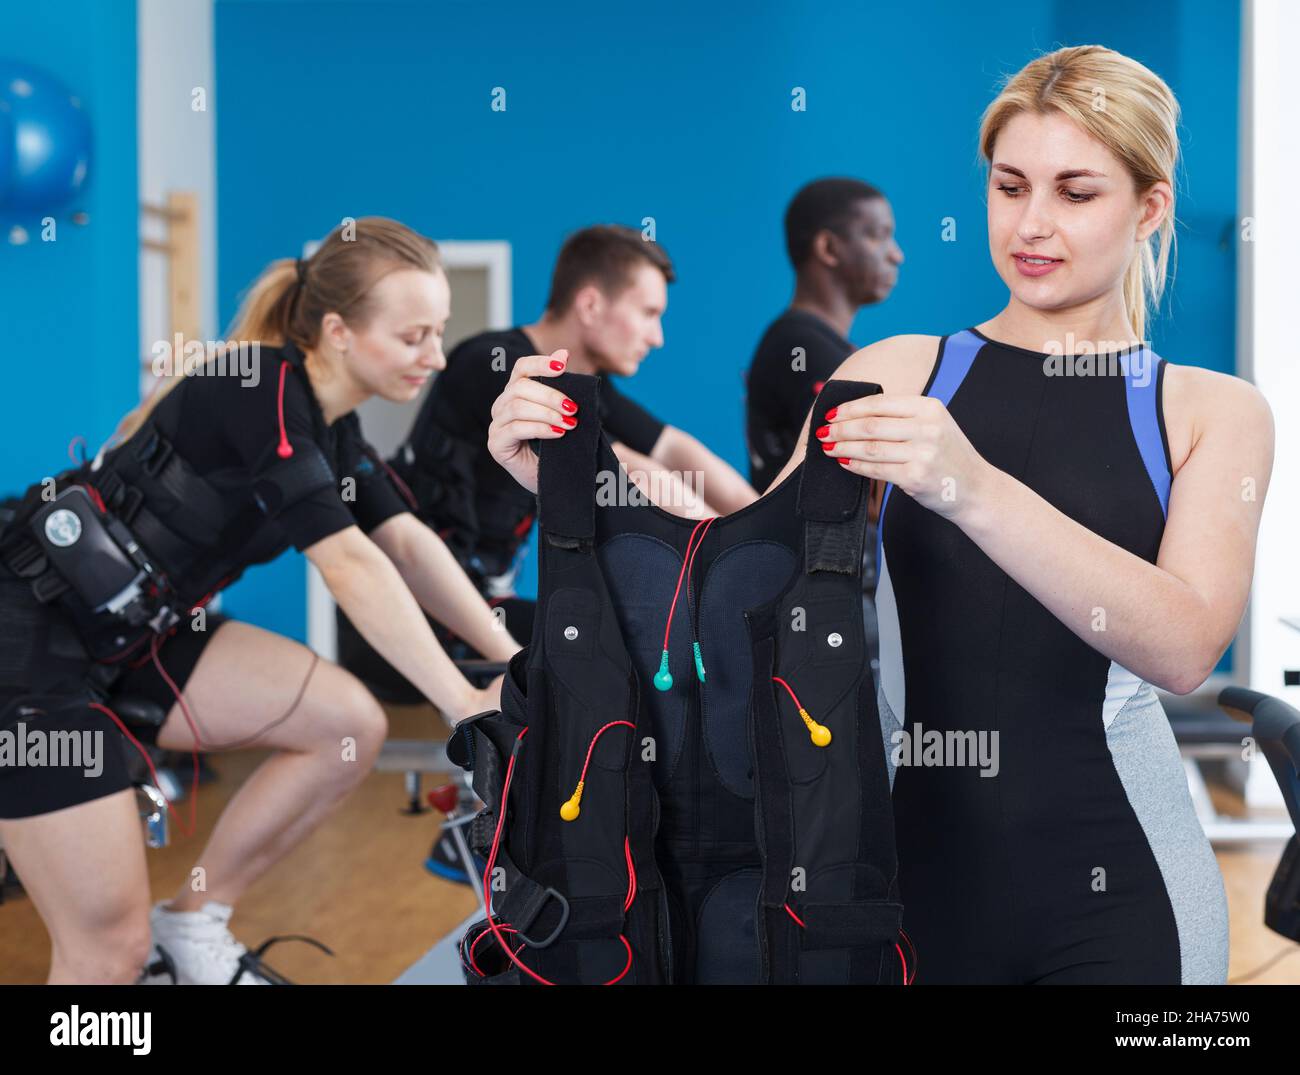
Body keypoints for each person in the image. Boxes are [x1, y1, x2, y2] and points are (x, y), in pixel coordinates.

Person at [485, 46, 1273, 985]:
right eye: (1010, 185)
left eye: (1075, 192)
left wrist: (969, 485)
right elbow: (727, 570)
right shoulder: (901, 371)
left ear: (1149, 208)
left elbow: (1185, 644)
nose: (1031, 224)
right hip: (910, 884)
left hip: (1130, 895)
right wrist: (568, 481)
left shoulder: (1212, 410)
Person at [0, 217, 516, 984]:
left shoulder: (335, 432)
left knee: (345, 722)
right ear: (338, 331)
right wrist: (463, 705)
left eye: (440, 334)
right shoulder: (258, 388)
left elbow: (406, 545)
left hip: (132, 637)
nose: (436, 357)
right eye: (414, 336)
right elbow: (348, 562)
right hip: (29, 645)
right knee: (106, 951)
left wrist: (514, 665)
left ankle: (194, 920)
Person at [341, 224, 756, 689]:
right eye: (648, 312)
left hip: (485, 607)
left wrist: (763, 522)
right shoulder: (495, 363)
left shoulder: (591, 387)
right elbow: (630, 470)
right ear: (591, 304)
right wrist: (740, 565)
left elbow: (677, 451)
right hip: (423, 614)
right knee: (621, 644)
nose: (657, 336)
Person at [744, 177, 903, 495]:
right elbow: (871, 491)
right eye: (878, 236)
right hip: (804, 545)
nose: (896, 255)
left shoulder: (810, 342)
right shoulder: (800, 346)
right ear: (828, 248)